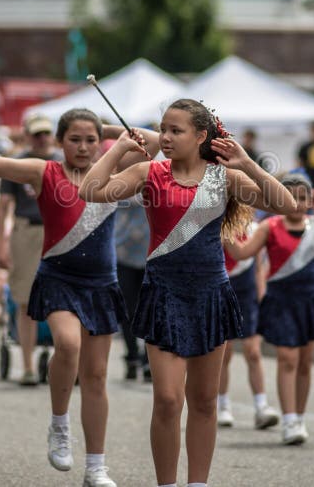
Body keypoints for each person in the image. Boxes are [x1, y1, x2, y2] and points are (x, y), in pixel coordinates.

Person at [79, 99, 297, 487]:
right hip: (163, 293)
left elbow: (287, 203)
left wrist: (246, 162)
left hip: (211, 294)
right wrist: (118, 149)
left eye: (175, 131)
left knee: (203, 401)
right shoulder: (150, 171)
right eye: (163, 129)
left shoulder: (224, 177)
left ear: (200, 136)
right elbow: (90, 190)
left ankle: (198, 483)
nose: (164, 137)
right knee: (166, 399)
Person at [0, 109, 159, 487]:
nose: (84, 146)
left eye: (91, 139)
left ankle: (95, 466)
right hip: (59, 277)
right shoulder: (45, 172)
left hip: (102, 283)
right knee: (68, 344)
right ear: (60, 141)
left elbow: (156, 145)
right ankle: (59, 423)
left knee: (96, 376)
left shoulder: (112, 171)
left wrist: (104, 128)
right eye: (74, 138)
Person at [225, 174, 314, 445]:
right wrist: (222, 227)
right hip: (281, 300)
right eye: (293, 197)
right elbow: (242, 253)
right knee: (287, 358)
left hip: (309, 301)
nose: (298, 204)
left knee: (305, 362)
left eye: (303, 197)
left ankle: (299, 416)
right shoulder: (270, 226)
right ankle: (288, 420)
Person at [0, 114, 58, 386]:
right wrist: (1, 245)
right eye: (37, 134)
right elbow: (3, 207)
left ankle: (65, 363)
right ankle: (29, 366)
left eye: (46, 133)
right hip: (26, 230)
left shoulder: (62, 161)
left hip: (58, 229)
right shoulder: (17, 163)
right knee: (25, 298)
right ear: (28, 135)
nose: (42, 139)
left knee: (63, 297)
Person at [216, 221, 280, 431]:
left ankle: (261, 406)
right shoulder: (213, 223)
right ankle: (222, 405)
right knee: (223, 353)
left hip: (247, 293)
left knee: (253, 351)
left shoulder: (254, 229)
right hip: (220, 289)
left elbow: (259, 269)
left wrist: (264, 301)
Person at [114, 194, 152, 382]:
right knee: (128, 311)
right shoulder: (119, 178)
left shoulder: (160, 171)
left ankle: (148, 360)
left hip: (152, 255)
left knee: (150, 310)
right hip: (123, 255)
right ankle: (131, 357)